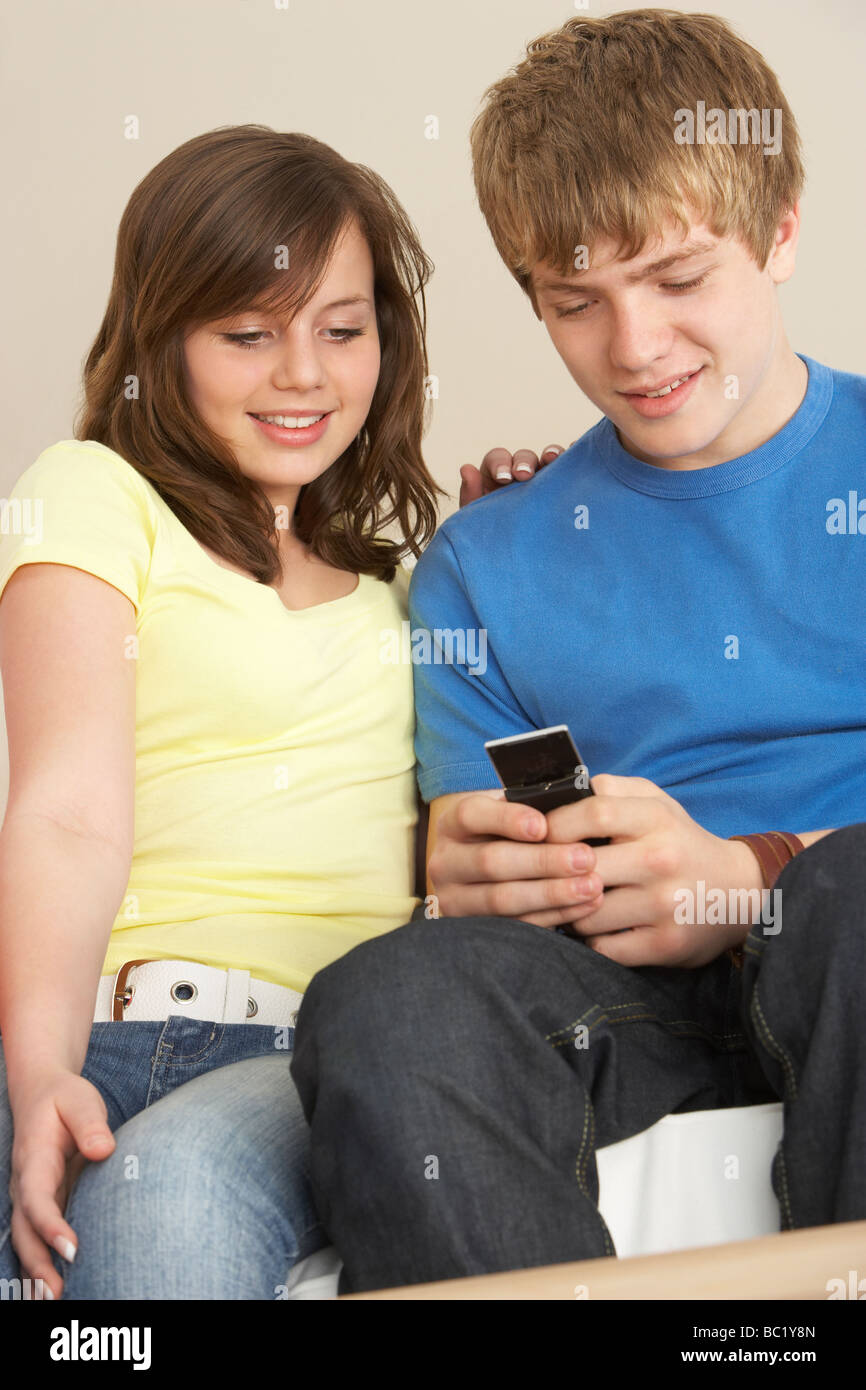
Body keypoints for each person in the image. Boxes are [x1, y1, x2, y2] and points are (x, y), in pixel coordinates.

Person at [289, 9, 866, 1293]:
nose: (635, 349)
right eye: (574, 302)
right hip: (621, 997)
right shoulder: (485, 565)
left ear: (778, 232)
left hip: (847, 944)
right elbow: (466, 847)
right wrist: (482, 872)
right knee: (389, 996)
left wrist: (747, 869)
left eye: (676, 280)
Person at [0, 123, 446, 1299]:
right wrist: (42, 1071)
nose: (300, 373)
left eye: (340, 330)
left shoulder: (411, 589)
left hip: (317, 1055)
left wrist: (524, 527)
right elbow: (66, 810)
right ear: (164, 341)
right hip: (110, 1023)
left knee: (166, 1214)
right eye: (246, 333)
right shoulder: (94, 496)